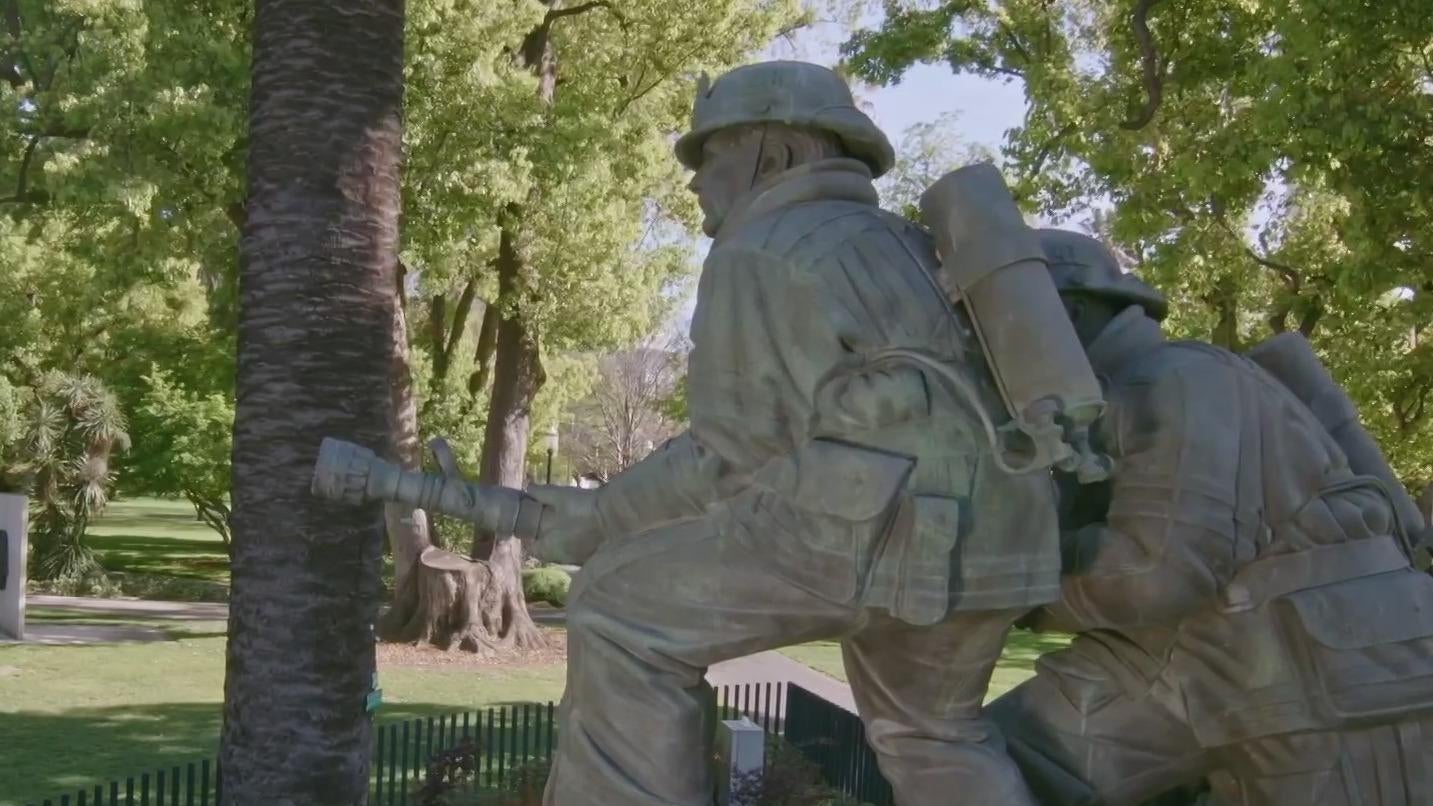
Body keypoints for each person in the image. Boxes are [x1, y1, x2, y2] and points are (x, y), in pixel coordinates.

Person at [524, 60, 1062, 805]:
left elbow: (727, 456)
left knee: (618, 609)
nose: (693, 182)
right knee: (933, 735)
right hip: (997, 535)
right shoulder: (906, 243)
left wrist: (600, 516)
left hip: (864, 534)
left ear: (769, 156)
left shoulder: (762, 247)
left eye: (708, 155)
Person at [988, 229, 1433, 805]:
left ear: (1067, 312)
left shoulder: (1173, 379)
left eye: (999, 330)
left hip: (1320, 673)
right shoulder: (1109, 402)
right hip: (1206, 654)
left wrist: (1008, 584)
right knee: (975, 765)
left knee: (986, 767)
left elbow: (1155, 573)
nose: (992, 354)